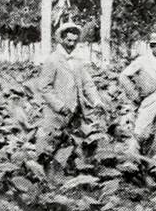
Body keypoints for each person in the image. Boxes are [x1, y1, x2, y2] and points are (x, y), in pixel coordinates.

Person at [32, 21, 104, 167]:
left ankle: (68, 174)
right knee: (50, 145)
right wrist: (60, 106)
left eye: (75, 41)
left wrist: (96, 101)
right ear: (62, 39)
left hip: (76, 111)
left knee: (73, 145)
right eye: (69, 40)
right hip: (56, 113)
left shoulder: (77, 61)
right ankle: (42, 176)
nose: (71, 44)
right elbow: (44, 87)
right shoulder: (52, 60)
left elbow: (87, 83)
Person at [118, 32, 156, 157]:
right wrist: (134, 94)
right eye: (155, 45)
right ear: (151, 46)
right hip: (148, 99)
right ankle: (132, 158)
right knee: (141, 129)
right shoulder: (142, 61)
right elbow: (123, 76)